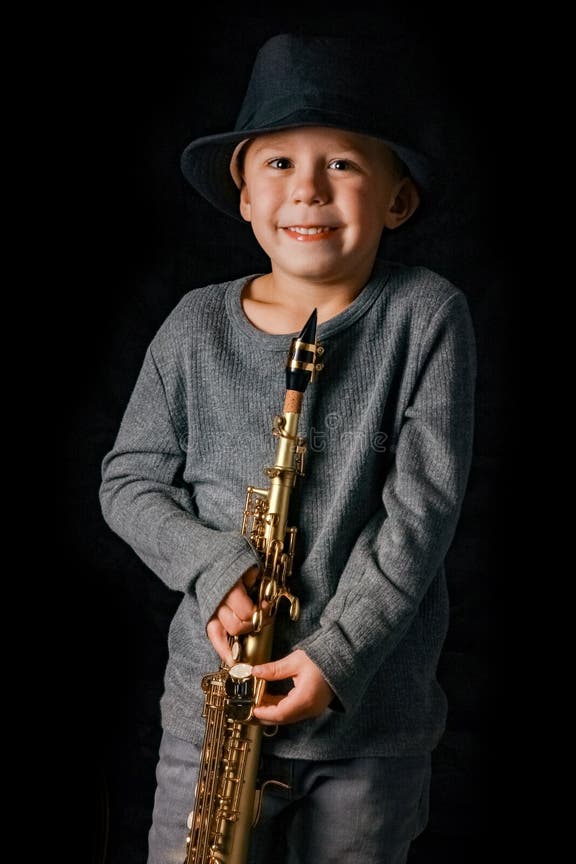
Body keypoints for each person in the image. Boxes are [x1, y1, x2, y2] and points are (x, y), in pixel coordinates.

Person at [99, 32, 476, 864]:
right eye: (277, 163)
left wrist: (336, 659)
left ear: (397, 199)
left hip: (367, 727)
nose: (306, 189)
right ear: (242, 192)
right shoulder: (195, 325)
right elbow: (127, 480)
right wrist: (212, 564)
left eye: (342, 164)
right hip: (210, 715)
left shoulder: (426, 314)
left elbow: (424, 508)